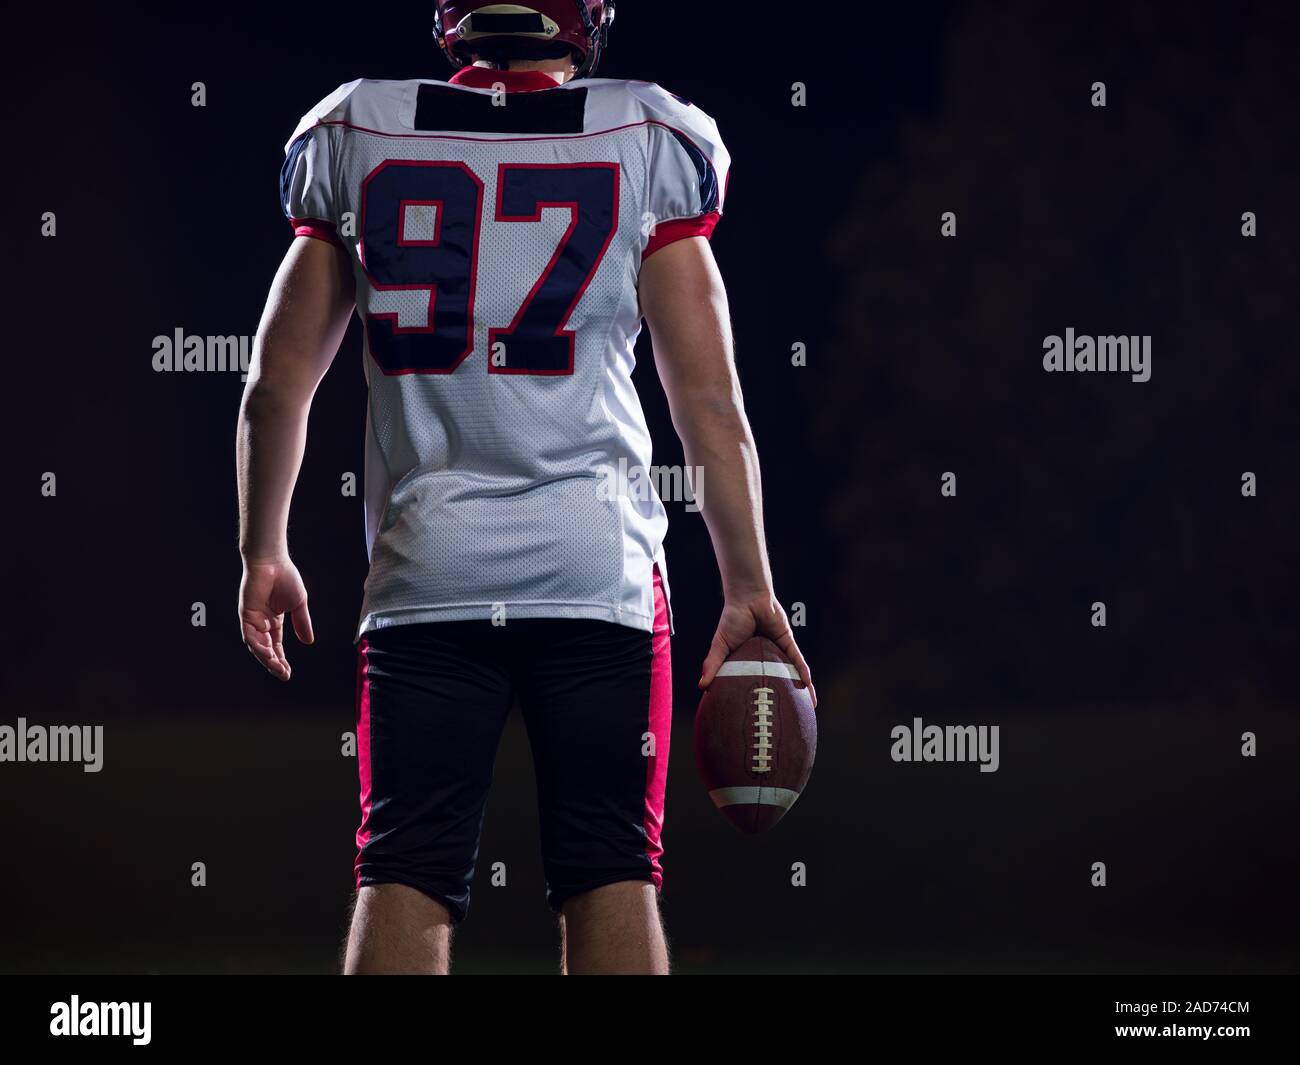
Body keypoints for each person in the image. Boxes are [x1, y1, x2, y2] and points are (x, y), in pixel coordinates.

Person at [235, 0, 813, 975]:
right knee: (612, 873)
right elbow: (708, 402)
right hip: (599, 578)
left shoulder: (356, 130)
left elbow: (275, 382)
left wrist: (264, 548)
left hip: (429, 576)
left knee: (403, 874)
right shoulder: (644, 133)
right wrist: (749, 585)